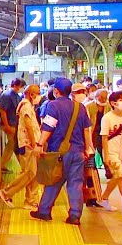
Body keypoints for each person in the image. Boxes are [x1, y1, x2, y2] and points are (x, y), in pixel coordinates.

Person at [31, 77, 94, 225]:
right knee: (75, 184)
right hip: (78, 152)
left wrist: (39, 144)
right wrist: (88, 148)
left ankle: (44, 211)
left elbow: (48, 127)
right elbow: (87, 130)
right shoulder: (80, 107)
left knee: (54, 180)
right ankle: (75, 216)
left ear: (56, 91)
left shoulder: (53, 106)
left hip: (59, 153)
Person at [0, 84, 44, 211]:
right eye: (38, 93)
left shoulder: (28, 106)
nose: (39, 96)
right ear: (31, 94)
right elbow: (29, 126)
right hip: (28, 145)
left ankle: (30, 201)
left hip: (30, 144)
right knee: (30, 173)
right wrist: (36, 144)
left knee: (33, 174)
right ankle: (6, 192)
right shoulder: (25, 107)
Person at [97, 91, 122, 211]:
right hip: (111, 151)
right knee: (119, 174)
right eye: (121, 100)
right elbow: (104, 137)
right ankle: (104, 198)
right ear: (113, 103)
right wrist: (105, 156)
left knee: (121, 178)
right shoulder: (107, 118)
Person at [0, 78, 25, 158]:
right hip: (9, 124)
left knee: (12, 145)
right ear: (15, 86)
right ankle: (1, 164)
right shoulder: (7, 95)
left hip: (14, 124)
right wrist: (6, 125)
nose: (21, 89)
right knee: (11, 145)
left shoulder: (16, 95)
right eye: (21, 86)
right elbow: (3, 111)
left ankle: (3, 164)